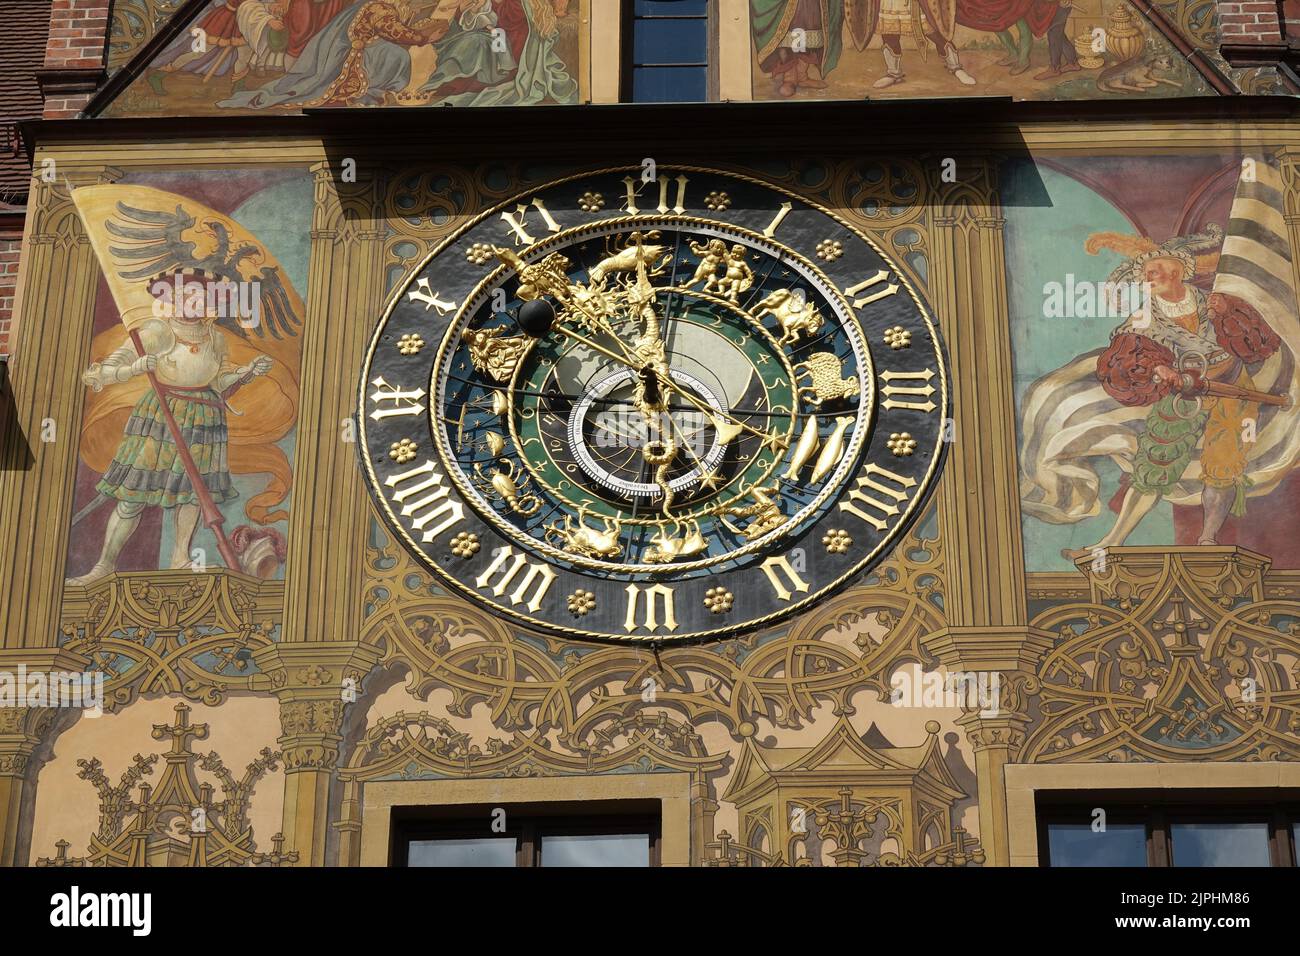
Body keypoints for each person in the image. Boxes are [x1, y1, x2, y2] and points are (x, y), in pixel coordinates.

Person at [1072, 245, 1280, 554]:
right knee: (1153, 464)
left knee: (1224, 463)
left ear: (1177, 273)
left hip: (1232, 386)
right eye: (1146, 275)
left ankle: (1208, 537)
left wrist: (1227, 314)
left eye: (1154, 272)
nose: (1149, 278)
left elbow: (1259, 340)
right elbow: (1123, 355)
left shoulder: (1214, 301)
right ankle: (1112, 541)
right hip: (1183, 390)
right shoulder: (1143, 317)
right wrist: (1157, 367)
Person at [68, 272, 273, 586]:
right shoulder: (155, 331)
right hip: (163, 414)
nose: (195, 300)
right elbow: (102, 373)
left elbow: (218, 382)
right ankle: (104, 565)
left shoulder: (214, 337)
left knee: (193, 494)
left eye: (201, 295)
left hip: (203, 416)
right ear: (173, 298)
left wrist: (245, 373)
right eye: (188, 294)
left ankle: (180, 558)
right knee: (133, 495)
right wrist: (135, 367)